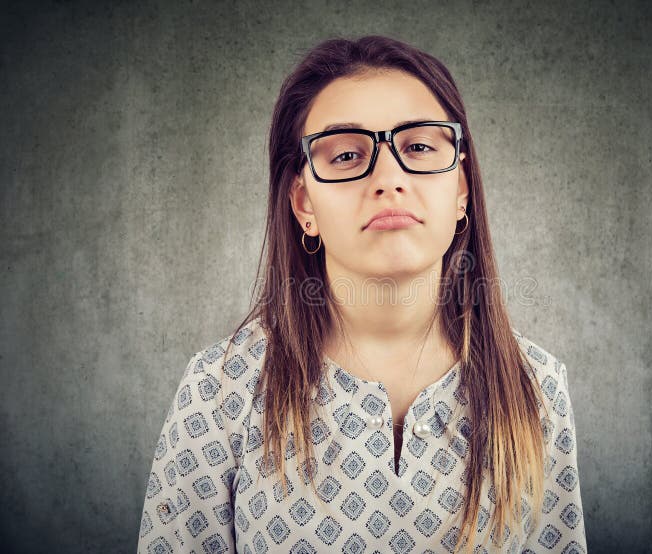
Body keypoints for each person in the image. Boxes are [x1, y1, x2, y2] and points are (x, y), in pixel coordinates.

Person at [137, 35, 587, 553]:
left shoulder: (536, 389)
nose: (389, 178)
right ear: (304, 203)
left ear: (461, 188)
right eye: (348, 155)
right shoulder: (220, 392)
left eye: (418, 146)